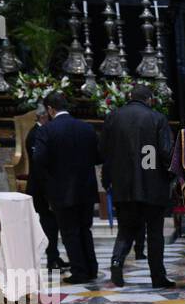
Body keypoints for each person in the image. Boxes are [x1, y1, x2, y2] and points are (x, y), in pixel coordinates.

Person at [100, 83, 174, 288]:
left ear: (130, 97)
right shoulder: (157, 118)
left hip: (123, 184)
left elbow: (103, 151)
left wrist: (109, 178)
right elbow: (166, 152)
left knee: (125, 229)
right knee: (155, 233)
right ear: (149, 100)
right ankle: (158, 277)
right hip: (153, 184)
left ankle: (116, 262)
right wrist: (171, 175)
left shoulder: (113, 117)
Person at [30, 91, 101, 283]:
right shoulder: (86, 128)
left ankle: (79, 272)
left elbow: (39, 159)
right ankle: (92, 269)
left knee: (70, 232)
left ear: (50, 109)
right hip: (86, 187)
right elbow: (98, 157)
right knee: (85, 229)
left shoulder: (47, 130)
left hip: (61, 188)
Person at [24, 103, 64, 270]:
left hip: (47, 186)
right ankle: (51, 258)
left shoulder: (43, 132)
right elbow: (39, 164)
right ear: (43, 116)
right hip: (41, 187)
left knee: (53, 223)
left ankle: (54, 256)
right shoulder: (36, 134)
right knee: (49, 223)